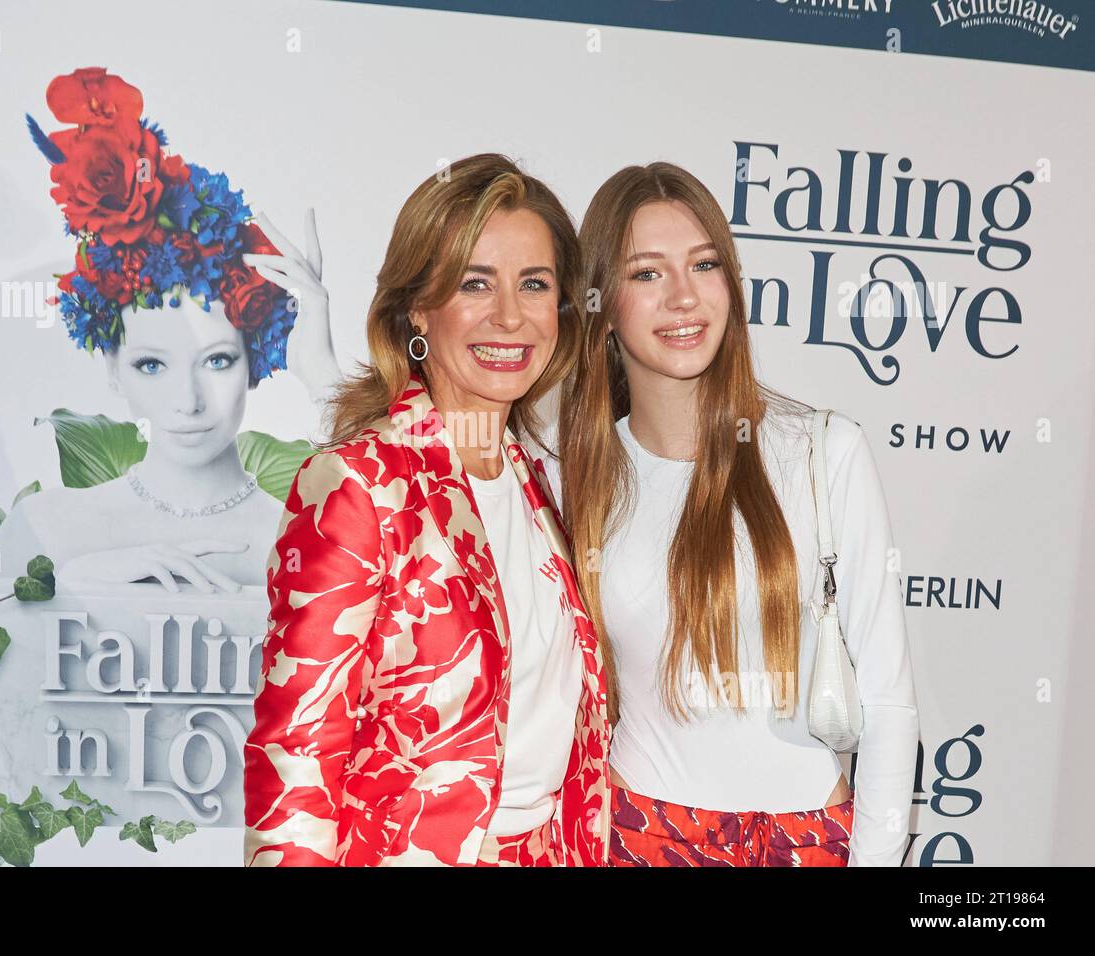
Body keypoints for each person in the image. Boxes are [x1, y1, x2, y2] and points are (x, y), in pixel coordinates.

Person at [243, 154, 611, 866]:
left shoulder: (536, 486)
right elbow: (298, 751)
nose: (510, 315)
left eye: (534, 284)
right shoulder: (359, 483)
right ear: (417, 307)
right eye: (476, 284)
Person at [552, 161, 919, 867]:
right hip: (634, 837)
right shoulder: (575, 474)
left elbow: (890, 705)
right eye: (648, 273)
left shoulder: (822, 453)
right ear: (602, 302)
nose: (684, 297)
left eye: (704, 264)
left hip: (806, 841)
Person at [0, 67, 341, 591]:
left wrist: (324, 376)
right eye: (151, 364)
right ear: (112, 365)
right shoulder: (45, 531)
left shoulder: (313, 544)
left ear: (257, 356)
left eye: (217, 360)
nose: (188, 401)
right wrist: (73, 585)